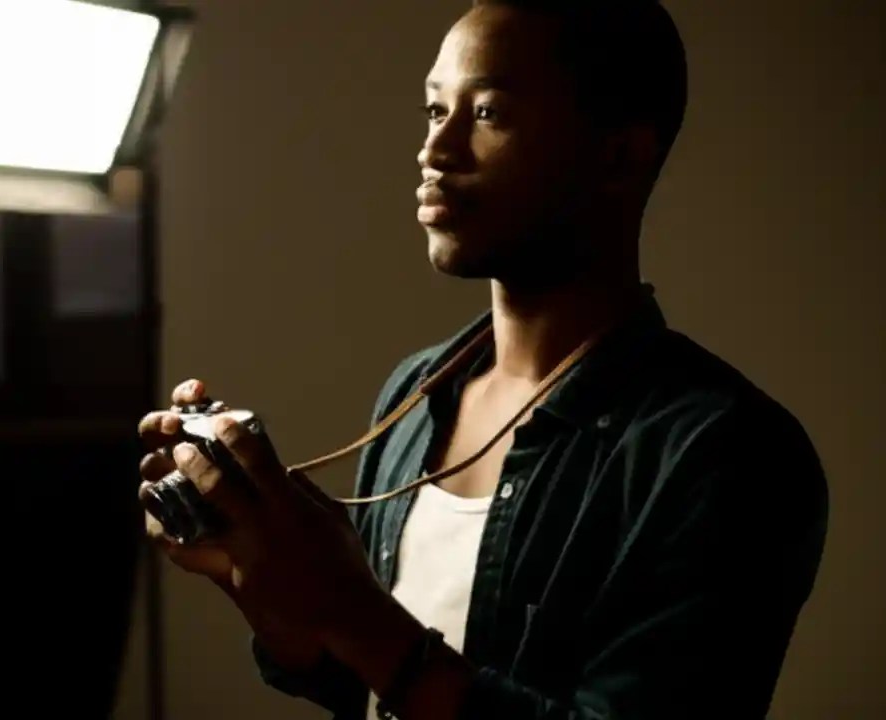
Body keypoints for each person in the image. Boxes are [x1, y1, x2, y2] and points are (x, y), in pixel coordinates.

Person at [136, 1, 829, 718]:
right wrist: (270, 588)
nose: (436, 151)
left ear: (617, 155)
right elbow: (378, 690)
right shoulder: (417, 394)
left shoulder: (729, 453)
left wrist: (349, 609)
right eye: (436, 111)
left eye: (489, 113)